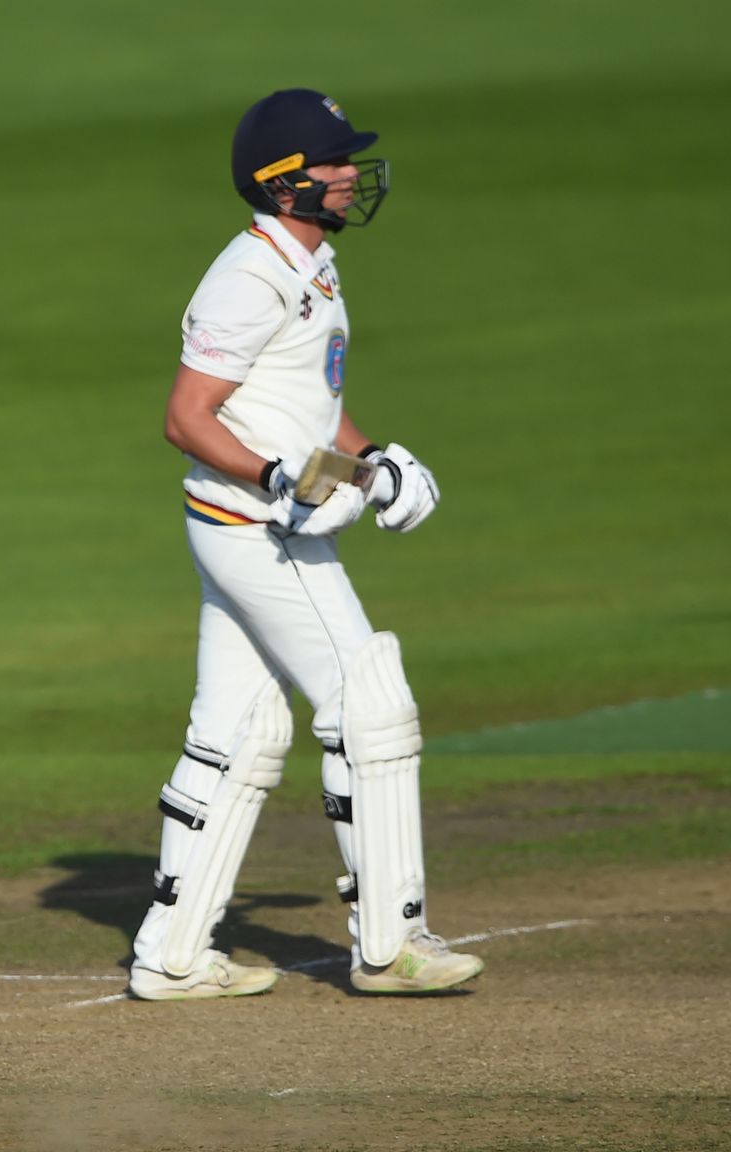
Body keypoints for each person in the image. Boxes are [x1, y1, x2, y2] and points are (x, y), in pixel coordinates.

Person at [126, 89, 485, 1001]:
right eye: (334, 162)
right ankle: (390, 945)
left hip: (250, 524)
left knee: (242, 730)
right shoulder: (250, 276)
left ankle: (171, 956)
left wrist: (374, 463)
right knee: (370, 700)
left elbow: (308, 407)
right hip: (259, 528)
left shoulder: (309, 265)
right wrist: (277, 480)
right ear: (285, 183)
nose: (352, 174)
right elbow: (186, 417)